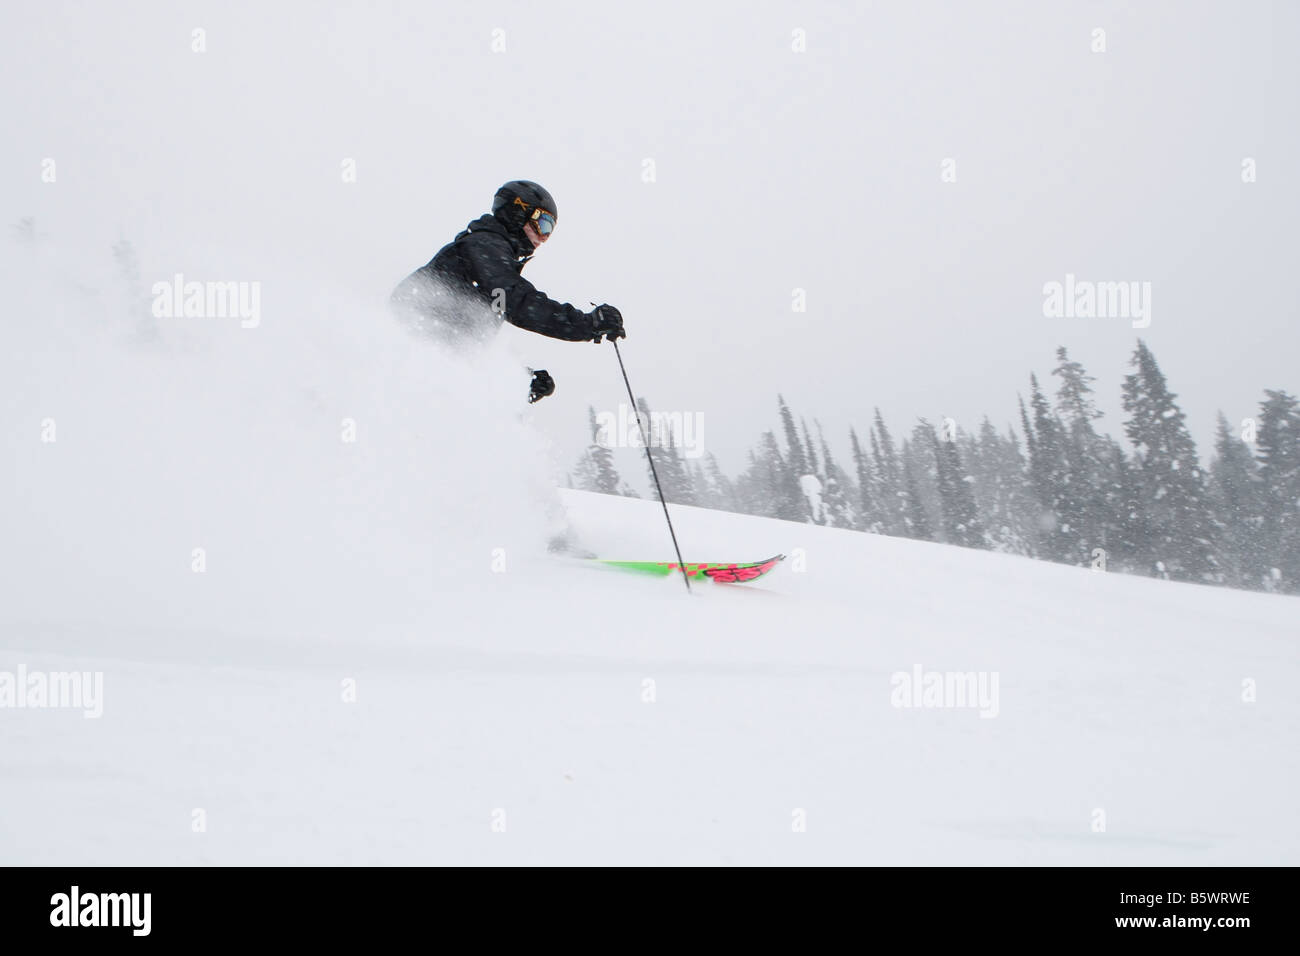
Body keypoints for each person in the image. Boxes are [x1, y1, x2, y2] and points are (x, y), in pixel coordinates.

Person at [391, 180, 624, 403]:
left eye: (550, 231)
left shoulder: (490, 259)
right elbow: (517, 301)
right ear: (518, 213)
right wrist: (587, 324)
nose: (544, 238)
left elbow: (465, 348)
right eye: (543, 224)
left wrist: (517, 380)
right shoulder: (483, 247)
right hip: (407, 360)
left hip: (425, 368)